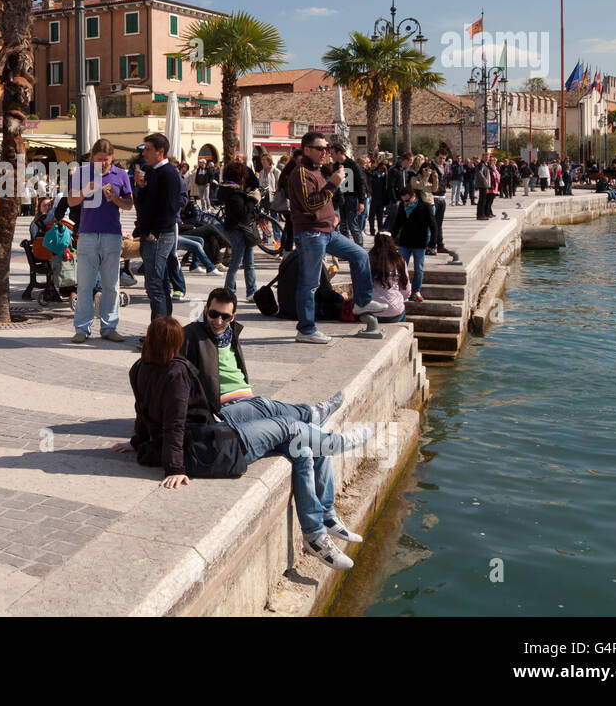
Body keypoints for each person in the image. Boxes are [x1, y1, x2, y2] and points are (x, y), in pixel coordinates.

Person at [114, 302, 369, 570]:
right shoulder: (176, 372)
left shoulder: (140, 366)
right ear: (177, 341)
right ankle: (334, 444)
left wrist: (136, 442)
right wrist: (174, 467)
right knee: (289, 427)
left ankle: (319, 528)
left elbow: (141, 410)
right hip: (214, 442)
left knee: (301, 447)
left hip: (213, 428)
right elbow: (175, 423)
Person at [287, 131, 386, 344]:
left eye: (327, 149)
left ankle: (362, 301)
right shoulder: (302, 173)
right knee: (310, 283)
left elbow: (325, 202)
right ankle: (306, 329)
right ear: (307, 149)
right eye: (321, 149)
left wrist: (335, 216)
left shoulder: (318, 171)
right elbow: (310, 204)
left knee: (360, 255)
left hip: (328, 231)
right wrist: (333, 183)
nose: (325, 153)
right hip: (311, 233)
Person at [67, 138, 134, 344]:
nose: (103, 163)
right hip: (87, 234)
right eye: (99, 159)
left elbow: (129, 204)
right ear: (92, 157)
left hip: (112, 235)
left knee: (111, 285)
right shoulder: (82, 173)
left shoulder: (121, 175)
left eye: (106, 159)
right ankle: (82, 328)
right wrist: (86, 191)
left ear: (112, 158)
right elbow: (70, 200)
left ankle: (109, 327)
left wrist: (115, 198)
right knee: (85, 285)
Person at [133, 133, 184, 320]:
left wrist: (153, 233)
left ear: (160, 152)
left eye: (148, 149)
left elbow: (170, 208)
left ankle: (159, 330)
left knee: (154, 284)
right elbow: (143, 204)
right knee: (159, 282)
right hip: (152, 233)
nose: (144, 153)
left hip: (160, 234)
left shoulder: (169, 174)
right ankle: (163, 327)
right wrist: (141, 186)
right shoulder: (153, 171)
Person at [218, 160, 258, 301]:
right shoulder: (234, 193)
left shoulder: (230, 190)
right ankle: (228, 292)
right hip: (239, 230)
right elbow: (242, 212)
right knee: (236, 262)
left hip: (242, 229)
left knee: (248, 263)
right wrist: (253, 200)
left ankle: (252, 292)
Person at [388, 184, 431, 301]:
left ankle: (416, 290)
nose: (406, 203)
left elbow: (433, 225)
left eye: (407, 200)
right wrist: (390, 239)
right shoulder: (402, 206)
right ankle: (402, 289)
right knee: (401, 267)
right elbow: (397, 224)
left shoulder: (425, 207)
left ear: (414, 196)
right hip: (405, 242)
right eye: (403, 201)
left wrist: (433, 243)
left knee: (419, 268)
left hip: (419, 242)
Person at [369, 232, 411, 322]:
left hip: (371, 311)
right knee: (400, 310)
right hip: (395, 311)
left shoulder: (368, 259)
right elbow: (406, 289)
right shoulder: (399, 260)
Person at [332, 143, 366, 248]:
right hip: (340, 199)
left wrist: (361, 201)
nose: (331, 156)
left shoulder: (353, 165)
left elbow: (361, 183)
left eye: (333, 153)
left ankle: (359, 248)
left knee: (353, 225)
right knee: (343, 226)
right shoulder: (335, 166)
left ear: (339, 152)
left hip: (351, 198)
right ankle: (346, 249)